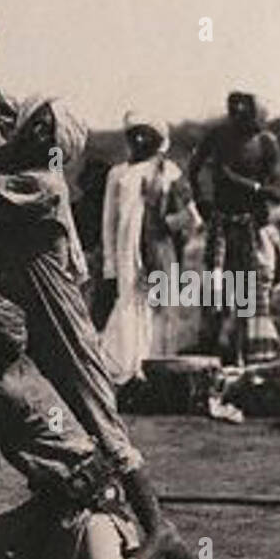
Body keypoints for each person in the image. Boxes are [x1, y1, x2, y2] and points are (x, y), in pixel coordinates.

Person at [0, 87, 197, 559]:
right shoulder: (16, 161)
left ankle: (157, 527)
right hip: (23, 316)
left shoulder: (43, 184)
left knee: (102, 424)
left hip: (60, 323)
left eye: (44, 128)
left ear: (55, 145)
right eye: (33, 121)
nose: (33, 130)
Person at [0, 287, 194, 559]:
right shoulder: (16, 372)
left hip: (94, 505)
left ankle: (158, 541)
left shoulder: (8, 393)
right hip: (53, 507)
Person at [99, 112, 202, 386]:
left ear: (157, 140)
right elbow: (108, 222)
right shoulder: (117, 174)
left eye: (146, 134)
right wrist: (109, 263)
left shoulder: (169, 172)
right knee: (128, 306)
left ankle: (153, 367)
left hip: (158, 251)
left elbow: (192, 216)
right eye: (135, 134)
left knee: (157, 307)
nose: (140, 139)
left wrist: (165, 222)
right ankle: (125, 369)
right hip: (124, 253)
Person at [188, 91, 280, 365]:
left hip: (253, 225)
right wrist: (202, 201)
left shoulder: (266, 142)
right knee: (217, 288)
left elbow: (276, 189)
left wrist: (247, 185)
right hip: (222, 222)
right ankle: (216, 348)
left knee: (253, 290)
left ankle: (247, 350)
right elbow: (195, 169)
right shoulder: (218, 136)